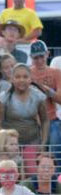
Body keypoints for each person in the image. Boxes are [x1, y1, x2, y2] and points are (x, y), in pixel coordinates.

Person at [0, 63, 49, 176]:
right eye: (18, 77)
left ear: (30, 79)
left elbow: (45, 120)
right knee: (12, 175)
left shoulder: (38, 96)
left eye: (25, 77)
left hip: (32, 141)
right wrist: (2, 146)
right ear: (12, 79)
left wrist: (43, 143)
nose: (21, 80)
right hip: (10, 145)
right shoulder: (4, 98)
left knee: (31, 173)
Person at [30, 40, 61, 174]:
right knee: (34, 161)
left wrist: (43, 89)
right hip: (33, 123)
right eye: (36, 57)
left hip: (52, 119)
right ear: (31, 57)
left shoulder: (56, 72)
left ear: (47, 54)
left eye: (41, 56)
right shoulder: (27, 73)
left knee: (55, 159)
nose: (39, 60)